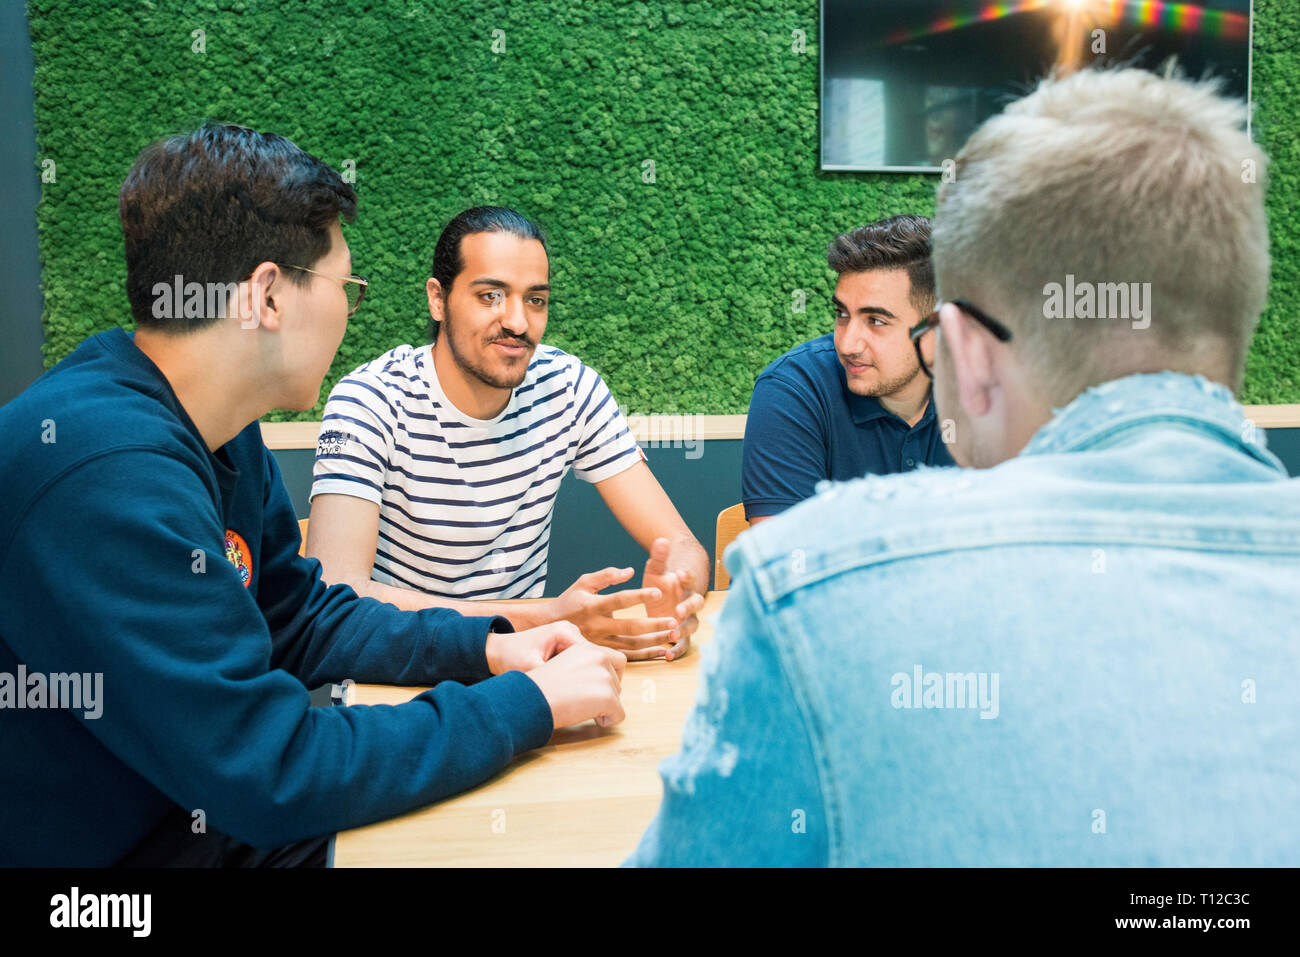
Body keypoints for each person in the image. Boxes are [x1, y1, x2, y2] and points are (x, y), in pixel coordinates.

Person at [629, 67, 1299, 866]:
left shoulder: (807, 595)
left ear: (959, 352)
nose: (851, 341)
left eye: (880, 321)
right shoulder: (798, 398)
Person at [0, 125, 627, 867]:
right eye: (346, 290)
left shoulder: (216, 423)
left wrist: (490, 650)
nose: (348, 315)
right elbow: (268, 767)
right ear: (267, 294)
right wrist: (531, 705)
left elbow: (300, 619)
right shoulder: (104, 472)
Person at [306, 206, 709, 661]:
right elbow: (337, 593)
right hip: (397, 665)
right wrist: (544, 619)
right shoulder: (371, 399)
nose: (518, 321)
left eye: (535, 299)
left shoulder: (568, 387)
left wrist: (679, 590)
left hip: (525, 666)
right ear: (438, 299)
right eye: (491, 296)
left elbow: (682, 544)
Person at [741, 214, 953, 525]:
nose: (848, 344)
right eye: (842, 314)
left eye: (876, 321)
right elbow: (787, 561)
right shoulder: (793, 389)